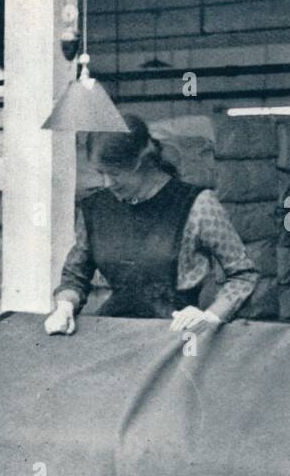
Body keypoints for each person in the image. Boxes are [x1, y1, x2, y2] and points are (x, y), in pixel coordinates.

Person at [45, 114, 259, 337]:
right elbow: (75, 275)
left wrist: (210, 317)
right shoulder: (95, 207)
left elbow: (244, 275)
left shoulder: (197, 204)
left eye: (115, 174)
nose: (107, 183)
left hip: (176, 333)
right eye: (101, 173)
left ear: (141, 162)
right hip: (115, 331)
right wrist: (65, 307)